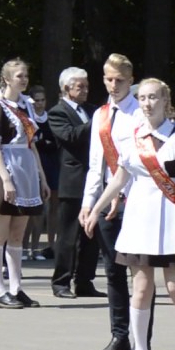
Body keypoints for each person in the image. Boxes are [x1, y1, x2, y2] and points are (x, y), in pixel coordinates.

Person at [84, 77, 175, 350]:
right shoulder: (132, 137)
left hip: (171, 217)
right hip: (139, 217)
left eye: (153, 98)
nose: (147, 103)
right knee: (140, 289)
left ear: (166, 102)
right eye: (142, 98)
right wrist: (95, 208)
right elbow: (119, 179)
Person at [81, 54, 142, 350]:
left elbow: (139, 162)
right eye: (108, 79)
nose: (114, 84)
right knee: (113, 269)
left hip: (136, 198)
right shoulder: (102, 115)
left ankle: (142, 337)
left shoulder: (140, 112)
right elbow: (96, 163)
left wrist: (121, 195)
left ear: (130, 80)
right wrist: (88, 202)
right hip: (108, 198)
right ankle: (120, 336)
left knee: (139, 271)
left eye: (119, 79)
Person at [0, 59, 50, 310]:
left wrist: (40, 175)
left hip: (27, 167)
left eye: (26, 75)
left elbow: (32, 144)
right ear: (7, 79)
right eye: (19, 76)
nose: (24, 79)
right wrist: (6, 179)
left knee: (18, 234)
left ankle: (16, 288)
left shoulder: (26, 106)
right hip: (5, 169)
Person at [48, 67, 101, 298]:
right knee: (69, 235)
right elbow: (70, 136)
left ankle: (85, 281)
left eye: (87, 86)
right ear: (66, 89)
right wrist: (97, 122)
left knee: (91, 236)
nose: (85, 90)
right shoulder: (57, 112)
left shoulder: (91, 110)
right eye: (80, 87)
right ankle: (61, 282)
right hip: (73, 180)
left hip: (94, 179)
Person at [22, 85, 56, 261]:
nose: (39, 104)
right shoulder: (27, 119)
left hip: (49, 166)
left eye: (42, 100)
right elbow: (35, 142)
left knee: (45, 209)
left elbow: (53, 141)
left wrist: (46, 143)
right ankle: (23, 247)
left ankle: (37, 248)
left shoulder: (50, 118)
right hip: (32, 164)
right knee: (30, 210)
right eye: (36, 100)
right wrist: (44, 143)